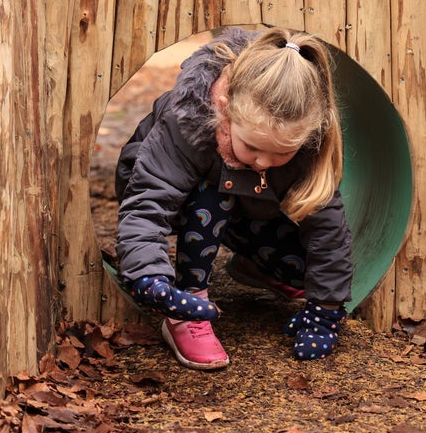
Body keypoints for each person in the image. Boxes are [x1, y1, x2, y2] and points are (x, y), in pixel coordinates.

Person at [114, 26, 354, 370]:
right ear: (225, 110)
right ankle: (188, 308)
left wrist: (326, 310)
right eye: (254, 147)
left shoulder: (302, 143)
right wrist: (148, 277)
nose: (264, 162)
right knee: (213, 194)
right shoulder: (188, 120)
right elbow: (148, 205)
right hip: (175, 197)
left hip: (248, 205)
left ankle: (253, 265)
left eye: (280, 153)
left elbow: (327, 229)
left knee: (306, 272)